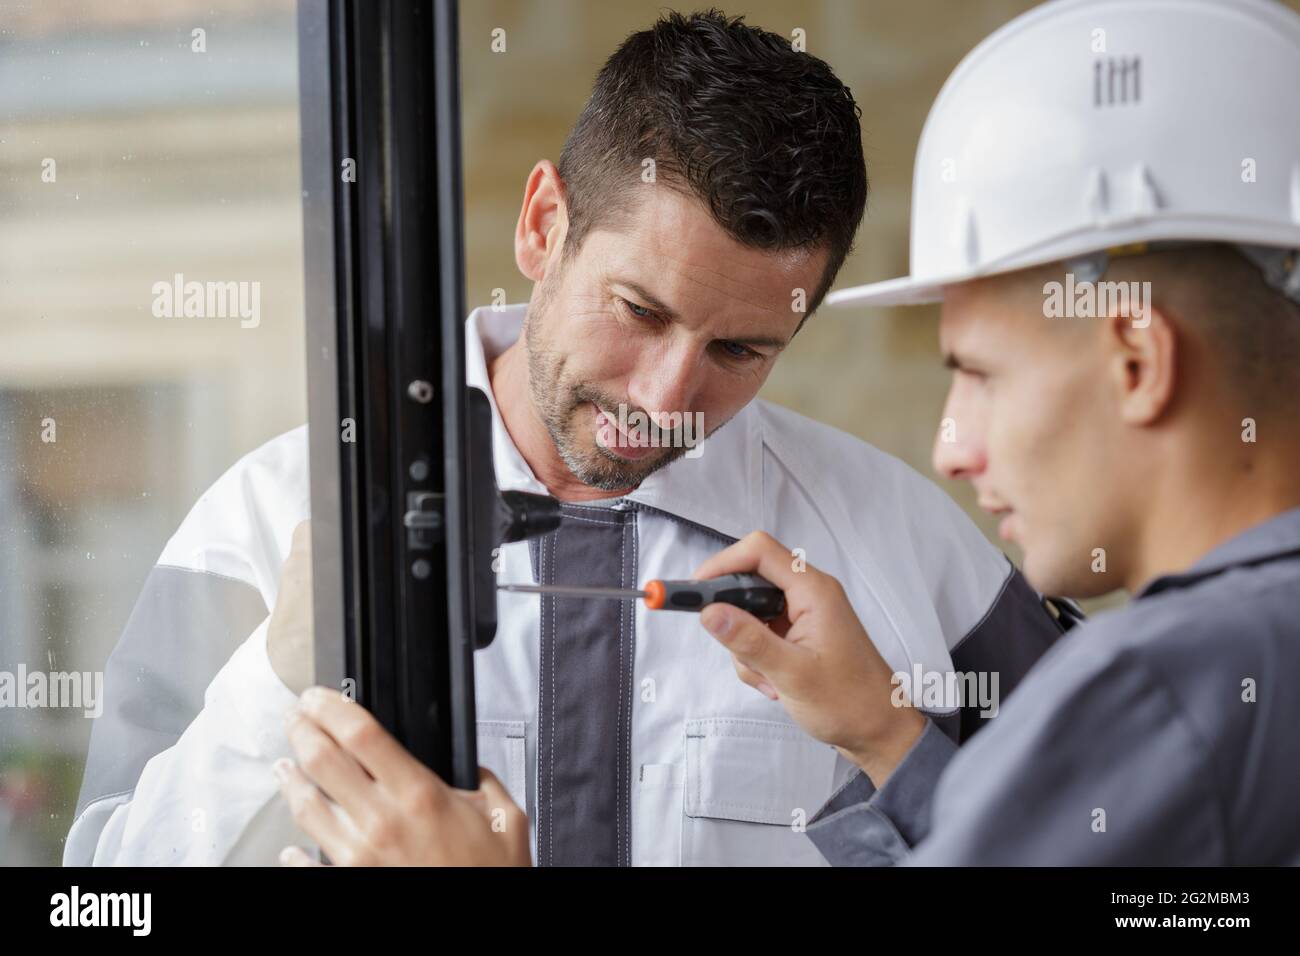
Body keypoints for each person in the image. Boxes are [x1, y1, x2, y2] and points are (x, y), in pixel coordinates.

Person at [67, 10, 1068, 868]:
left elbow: (1103, 852)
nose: (665, 393)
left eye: (741, 347)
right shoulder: (264, 516)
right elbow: (99, 899)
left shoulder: (909, 549)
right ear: (543, 224)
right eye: (637, 309)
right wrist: (269, 681)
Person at [691, 0, 1300, 864]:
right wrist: (883, 737)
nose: (952, 449)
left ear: (1137, 362)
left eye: (979, 374)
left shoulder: (1151, 688)